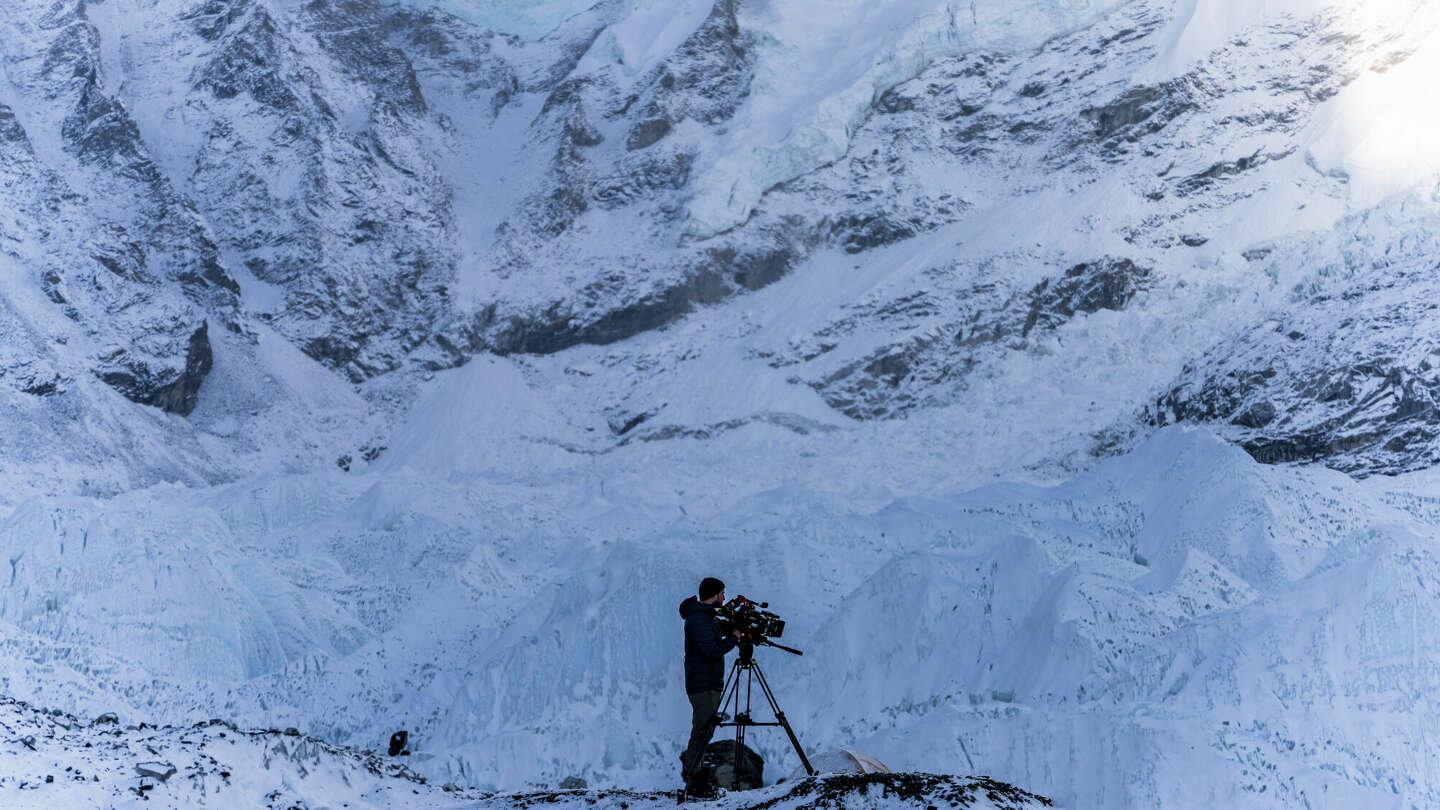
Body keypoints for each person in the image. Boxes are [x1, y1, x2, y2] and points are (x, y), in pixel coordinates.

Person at [678, 576, 743, 793]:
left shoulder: (705, 617)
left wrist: (735, 625)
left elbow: (715, 636)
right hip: (703, 685)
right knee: (702, 730)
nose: (724, 598)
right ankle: (692, 777)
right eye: (722, 593)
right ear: (714, 595)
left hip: (708, 683)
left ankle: (693, 773)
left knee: (705, 730)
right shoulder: (698, 620)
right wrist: (734, 638)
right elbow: (712, 650)